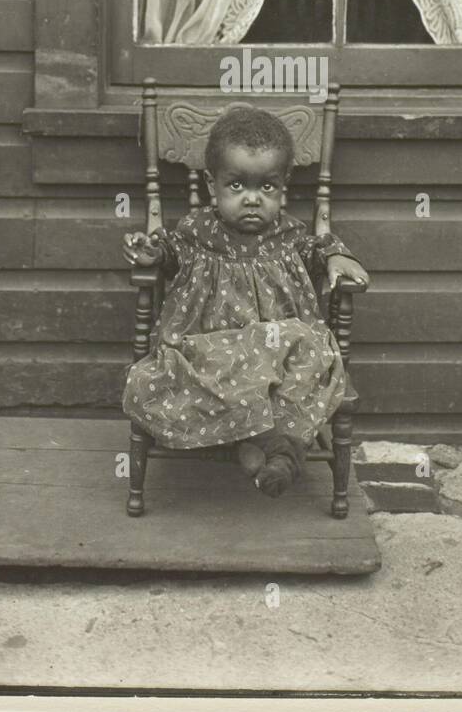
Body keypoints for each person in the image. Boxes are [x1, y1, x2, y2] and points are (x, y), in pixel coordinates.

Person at [121, 105, 369, 496]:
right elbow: (169, 253)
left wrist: (337, 256)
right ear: (211, 184)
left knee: (315, 350)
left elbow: (319, 248)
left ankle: (272, 450)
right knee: (162, 376)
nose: (252, 199)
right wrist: (151, 253)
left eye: (266, 187)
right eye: (237, 186)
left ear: (283, 185)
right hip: (214, 354)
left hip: (277, 356)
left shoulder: (290, 236)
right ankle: (270, 448)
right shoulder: (197, 232)